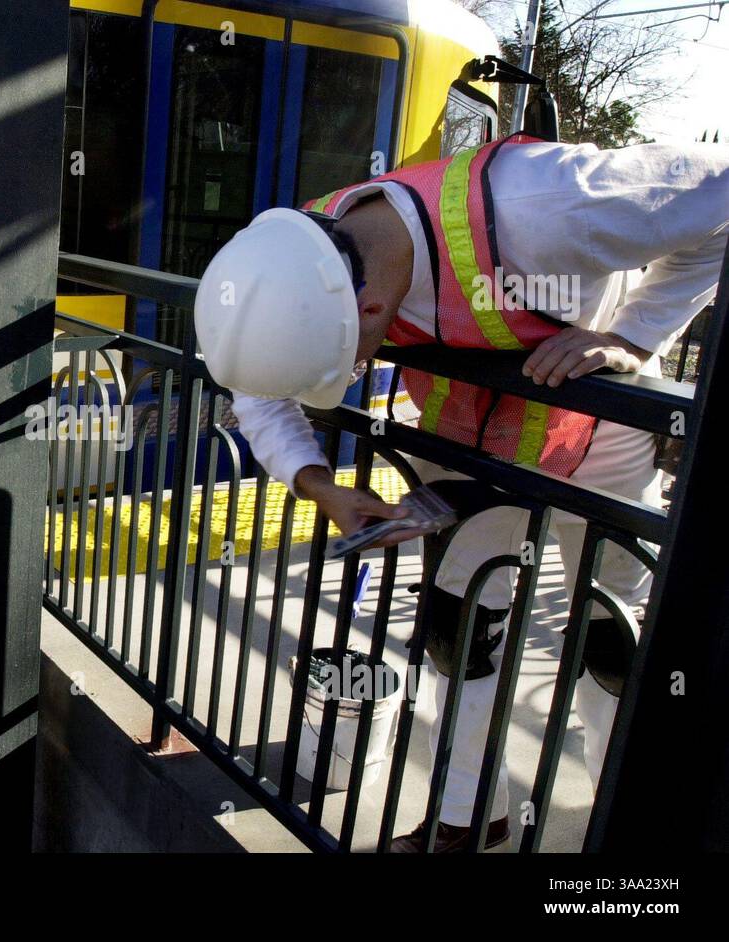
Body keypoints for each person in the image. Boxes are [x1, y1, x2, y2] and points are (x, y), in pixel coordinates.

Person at [193, 134, 728, 852]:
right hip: (475, 446)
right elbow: (258, 386)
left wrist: (632, 338)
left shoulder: (548, 202)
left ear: (373, 309)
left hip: (600, 435)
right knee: (459, 631)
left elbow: (720, 198)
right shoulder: (303, 251)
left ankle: (630, 834)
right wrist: (320, 486)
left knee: (611, 638)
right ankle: (469, 817)